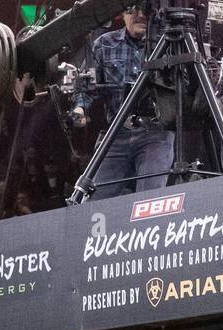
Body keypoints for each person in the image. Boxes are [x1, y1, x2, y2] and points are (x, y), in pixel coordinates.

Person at [72, 4, 175, 200]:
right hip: (115, 134)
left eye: (145, 9)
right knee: (94, 203)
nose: (140, 16)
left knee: (150, 201)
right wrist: (80, 108)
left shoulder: (169, 42)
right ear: (121, 13)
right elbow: (87, 87)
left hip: (155, 134)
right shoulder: (104, 44)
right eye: (132, 10)